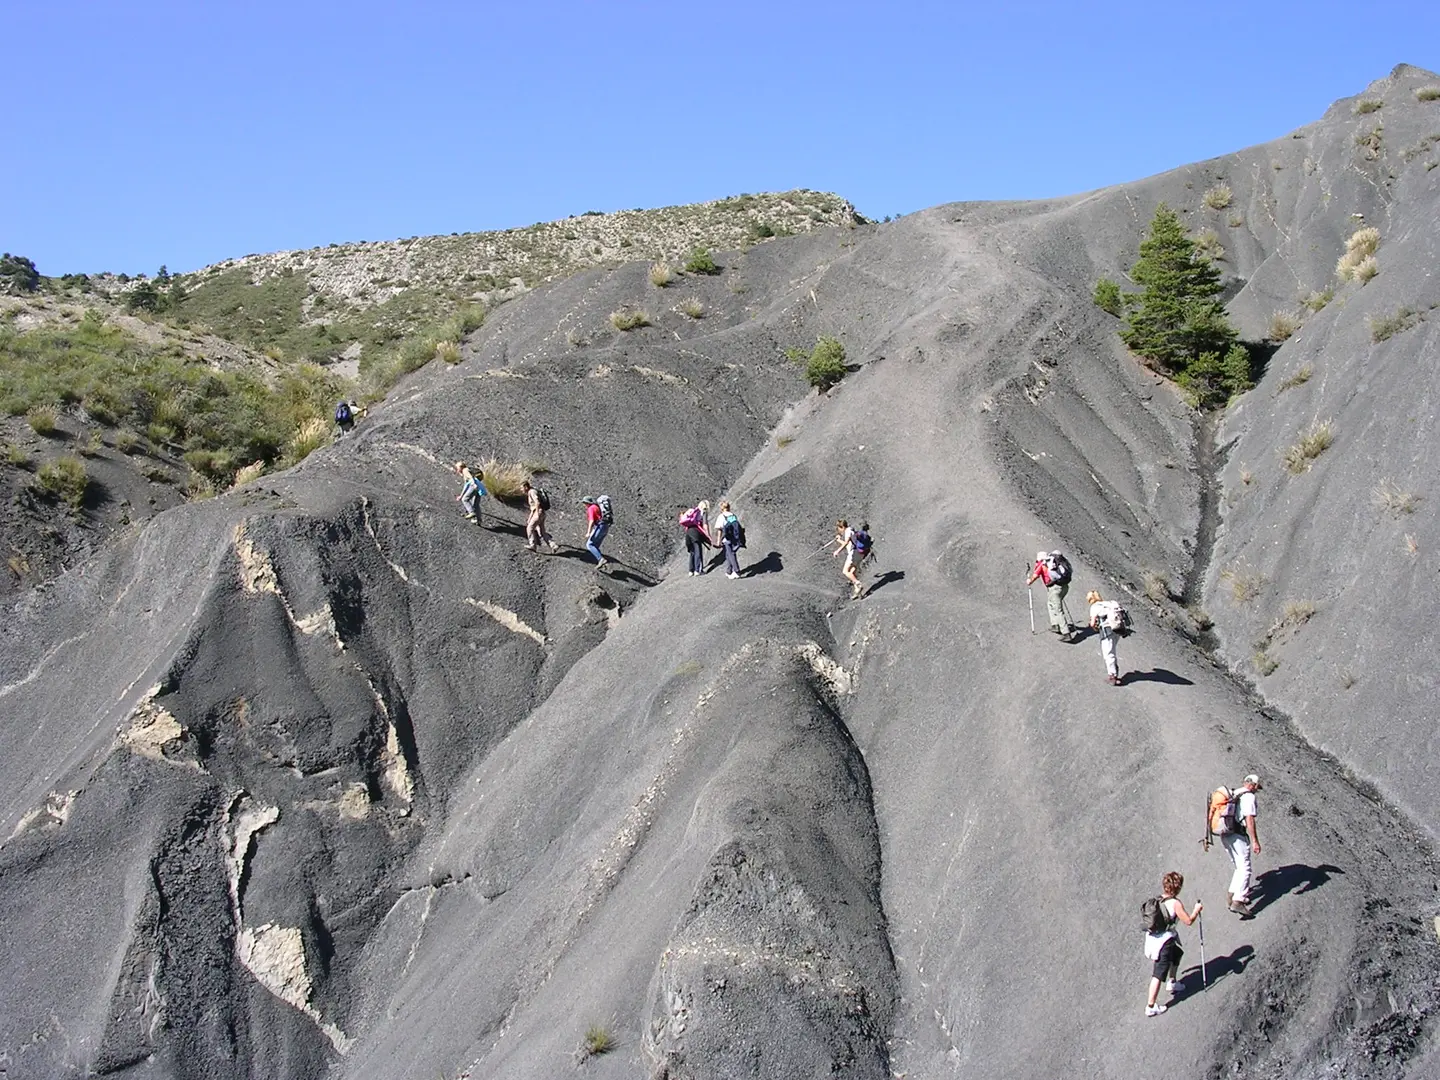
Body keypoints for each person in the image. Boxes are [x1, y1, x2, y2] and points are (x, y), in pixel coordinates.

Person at [1144, 871, 1203, 1017]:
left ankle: (1172, 982)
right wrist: (1196, 910)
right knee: (1158, 974)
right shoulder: (1175, 903)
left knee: (1177, 954)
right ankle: (1150, 1006)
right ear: (1178, 888)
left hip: (1154, 939)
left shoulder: (1158, 900)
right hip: (1164, 942)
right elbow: (1188, 921)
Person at [1224, 775, 1263, 917]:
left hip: (1226, 833)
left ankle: (1232, 895)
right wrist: (1254, 841)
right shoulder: (1249, 797)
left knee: (1238, 867)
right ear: (1253, 785)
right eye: (1257, 788)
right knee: (1246, 868)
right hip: (1238, 834)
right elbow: (1249, 819)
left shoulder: (1234, 793)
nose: (1256, 791)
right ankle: (1238, 901)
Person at [1027, 550, 1076, 640]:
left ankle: (1066, 633)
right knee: (1050, 604)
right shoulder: (1055, 563)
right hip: (1064, 587)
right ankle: (1055, 625)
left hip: (1055, 589)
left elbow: (1035, 576)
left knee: (1058, 609)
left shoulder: (1042, 564)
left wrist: (1029, 581)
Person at [1087, 589, 1122, 685]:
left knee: (1108, 654)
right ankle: (1114, 670)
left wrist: (1093, 627)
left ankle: (1113, 676)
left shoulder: (1094, 607)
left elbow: (1093, 623)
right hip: (1117, 630)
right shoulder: (1108, 603)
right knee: (1112, 650)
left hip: (1107, 632)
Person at [830, 519, 873, 599]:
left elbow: (846, 542)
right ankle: (857, 591)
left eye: (838, 528)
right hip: (860, 554)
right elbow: (848, 543)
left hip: (854, 554)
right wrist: (839, 540)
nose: (838, 530)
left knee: (845, 571)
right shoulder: (851, 530)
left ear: (841, 527)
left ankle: (858, 584)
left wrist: (837, 551)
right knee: (852, 572)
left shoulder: (848, 531)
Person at [523, 480, 558, 553]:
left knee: (529, 528)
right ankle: (553, 545)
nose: (521, 489)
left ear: (526, 487)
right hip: (541, 513)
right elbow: (533, 508)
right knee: (542, 532)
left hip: (538, 513)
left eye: (521, 488)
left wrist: (537, 515)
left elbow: (537, 503)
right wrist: (530, 518)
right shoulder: (532, 491)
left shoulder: (532, 492)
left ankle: (532, 545)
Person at [680, 500, 711, 575]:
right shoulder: (703, 512)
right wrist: (708, 536)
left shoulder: (693, 511)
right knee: (698, 551)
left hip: (688, 532)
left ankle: (691, 570)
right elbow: (705, 525)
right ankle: (698, 570)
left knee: (692, 551)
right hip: (696, 532)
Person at [715, 501, 742, 579]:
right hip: (734, 537)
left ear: (722, 508)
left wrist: (718, 541)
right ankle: (729, 571)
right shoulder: (733, 515)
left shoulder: (721, 516)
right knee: (728, 553)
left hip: (726, 537)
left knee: (731, 553)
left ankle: (737, 571)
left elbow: (719, 529)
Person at [583, 496, 610, 570]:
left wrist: (588, 532)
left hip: (600, 527)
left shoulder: (591, 508)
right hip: (605, 527)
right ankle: (602, 564)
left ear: (587, 503)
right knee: (595, 546)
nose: (585, 505)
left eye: (585, 503)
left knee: (589, 544)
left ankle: (601, 560)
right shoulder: (597, 507)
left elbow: (591, 521)